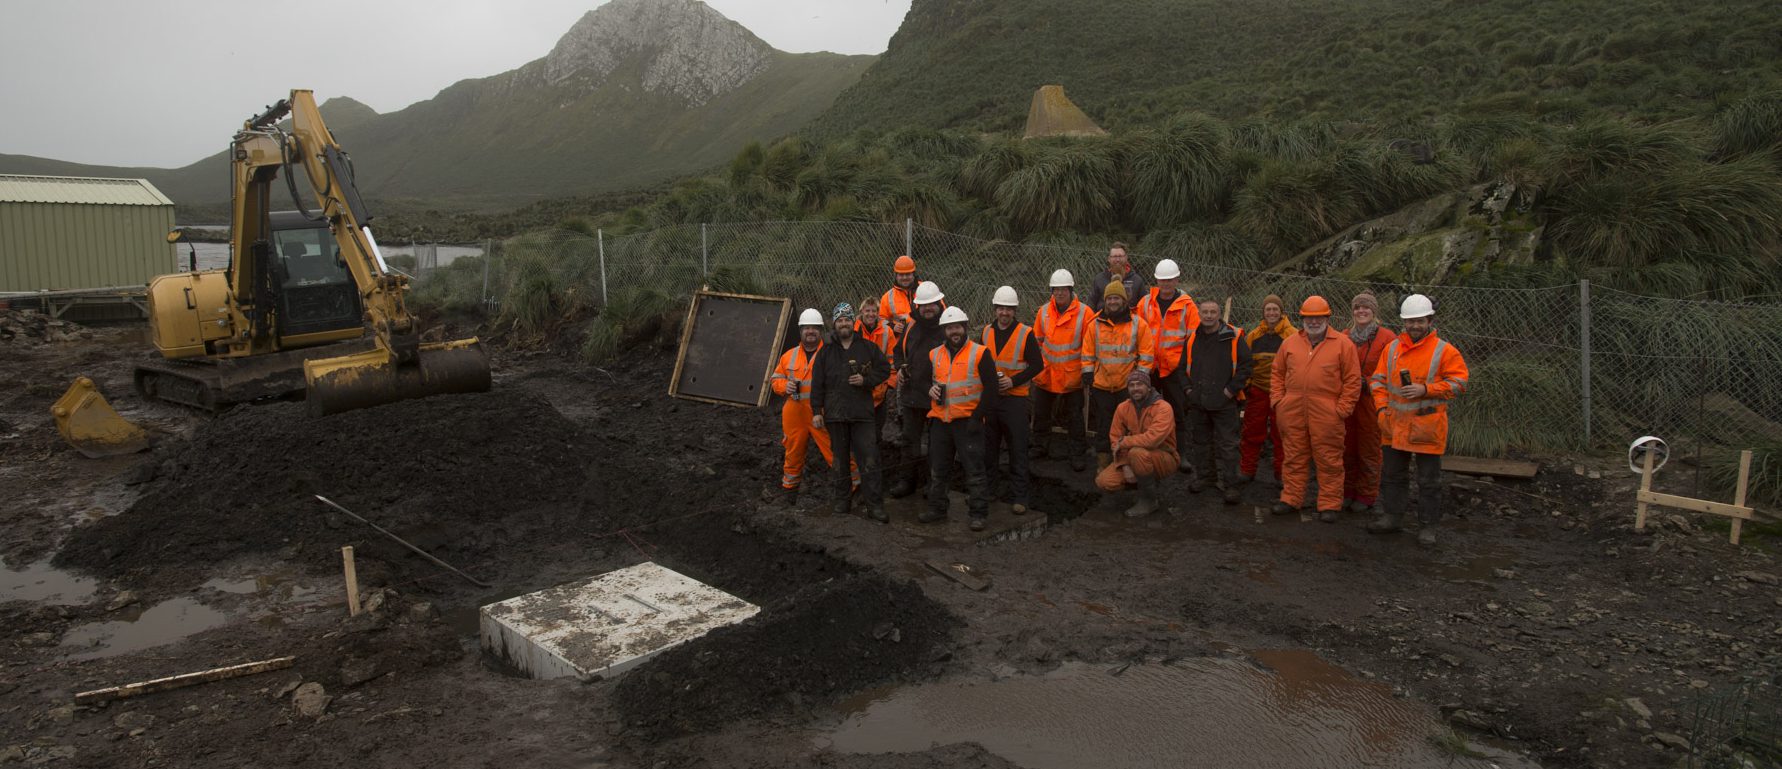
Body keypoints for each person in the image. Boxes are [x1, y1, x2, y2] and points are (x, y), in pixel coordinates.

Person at [1368, 294, 1470, 546]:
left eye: (1420, 321)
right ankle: (1392, 517)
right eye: (1410, 321)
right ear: (1404, 323)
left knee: (1429, 481)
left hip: (1427, 427)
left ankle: (1428, 526)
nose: (1414, 326)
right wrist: (1381, 411)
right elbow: (1378, 382)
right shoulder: (1391, 349)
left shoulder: (1444, 350)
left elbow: (1459, 382)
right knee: (1392, 476)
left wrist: (1426, 390)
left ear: (1429, 320)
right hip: (1393, 425)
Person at [1269, 296, 1361, 523]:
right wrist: (1279, 402)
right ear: (1302, 319)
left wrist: (1342, 409)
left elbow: (1353, 380)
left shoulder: (1343, 344)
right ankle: (1291, 498)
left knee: (1329, 459)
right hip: (1292, 410)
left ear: (1327, 318)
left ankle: (1329, 504)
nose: (1313, 322)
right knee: (1293, 457)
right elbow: (1277, 373)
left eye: (1318, 317)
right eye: (1308, 318)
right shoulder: (1290, 343)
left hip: (1327, 412)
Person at [918, 306, 999, 530]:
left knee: (974, 469)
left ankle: (978, 513)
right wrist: (929, 390)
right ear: (944, 330)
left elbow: (992, 390)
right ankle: (937, 509)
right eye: (950, 328)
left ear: (964, 328)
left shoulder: (980, 353)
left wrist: (977, 417)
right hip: (941, 422)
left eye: (957, 327)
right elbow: (921, 379)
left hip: (968, 422)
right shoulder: (935, 355)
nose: (954, 331)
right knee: (939, 468)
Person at [812, 303, 889, 522]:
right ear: (834, 324)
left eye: (847, 319)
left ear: (853, 322)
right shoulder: (825, 352)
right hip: (835, 415)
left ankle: (874, 506)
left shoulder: (867, 347)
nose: (843, 324)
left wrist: (867, 381)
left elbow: (884, 370)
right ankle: (842, 501)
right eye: (839, 320)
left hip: (862, 415)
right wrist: (817, 411)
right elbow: (817, 383)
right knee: (840, 461)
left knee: (870, 460)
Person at [1179, 298, 1253, 506]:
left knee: (1228, 445)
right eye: (1205, 312)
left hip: (1224, 403)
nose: (1209, 316)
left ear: (1219, 314)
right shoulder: (1193, 339)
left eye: (1213, 312)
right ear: (1199, 314)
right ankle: (1206, 477)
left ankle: (1231, 484)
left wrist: (1230, 392)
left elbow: (1246, 366)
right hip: (1199, 401)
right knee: (1200, 443)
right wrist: (1189, 391)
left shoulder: (1233, 337)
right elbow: (1182, 368)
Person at [981, 286, 1044, 514]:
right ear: (995, 309)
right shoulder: (986, 332)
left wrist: (1014, 381)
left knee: (1018, 449)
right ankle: (989, 490)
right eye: (1001, 308)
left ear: (1014, 310)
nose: (1004, 313)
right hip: (992, 400)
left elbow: (1037, 365)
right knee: (989, 449)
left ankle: (1020, 497)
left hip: (1015, 401)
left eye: (1008, 309)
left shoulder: (1025, 334)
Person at [1082, 279, 1155, 471]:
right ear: (1105, 301)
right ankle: (1104, 463)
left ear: (1124, 300)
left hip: (1127, 387)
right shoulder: (1095, 324)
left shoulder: (1138, 324)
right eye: (1110, 298)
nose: (1113, 302)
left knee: (1129, 426)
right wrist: (1088, 373)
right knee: (1104, 425)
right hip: (1102, 385)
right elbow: (1088, 352)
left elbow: (1147, 354)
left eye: (1116, 298)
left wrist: (1139, 381)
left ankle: (1127, 462)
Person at [1134, 258, 1200, 470]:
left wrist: (1186, 369)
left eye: (1170, 280)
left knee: (1177, 412)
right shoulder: (1145, 303)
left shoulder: (1188, 306)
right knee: (1145, 410)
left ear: (1177, 279)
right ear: (1156, 281)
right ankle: (1145, 450)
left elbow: (1193, 339)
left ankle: (1180, 454)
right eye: (1162, 280)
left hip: (1174, 370)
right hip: (1149, 367)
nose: (1166, 284)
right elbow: (1136, 331)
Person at [771, 309, 839, 505]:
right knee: (792, 452)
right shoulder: (789, 356)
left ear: (820, 331)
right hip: (795, 412)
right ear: (800, 331)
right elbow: (775, 380)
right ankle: (789, 492)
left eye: (815, 328)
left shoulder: (829, 354)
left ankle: (853, 487)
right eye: (807, 328)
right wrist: (786, 386)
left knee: (835, 450)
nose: (811, 331)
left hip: (822, 412)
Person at [1339, 292, 1397, 515]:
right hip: (1348, 399)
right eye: (1357, 308)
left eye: (1366, 308)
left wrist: (1368, 382)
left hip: (1371, 401)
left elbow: (1391, 371)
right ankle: (1346, 490)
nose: (1361, 311)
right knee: (1346, 447)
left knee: (1369, 448)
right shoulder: (1344, 336)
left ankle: (1366, 493)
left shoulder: (1387, 338)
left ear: (1374, 312)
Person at [888, 281, 947, 498]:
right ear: (918, 306)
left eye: (931, 304)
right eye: (924, 305)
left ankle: (933, 485)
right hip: (912, 395)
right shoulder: (911, 327)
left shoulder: (947, 327)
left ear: (938, 303)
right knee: (909, 441)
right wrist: (901, 367)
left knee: (937, 445)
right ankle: (907, 481)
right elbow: (897, 352)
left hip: (937, 396)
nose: (928, 308)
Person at [1031, 269, 1095, 472]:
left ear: (1070, 290)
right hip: (1047, 373)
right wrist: (1035, 365)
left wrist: (1087, 371)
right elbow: (1037, 341)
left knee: (1074, 416)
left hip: (1072, 375)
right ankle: (1040, 446)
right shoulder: (1044, 312)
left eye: (1063, 289)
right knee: (1041, 413)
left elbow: (1090, 345)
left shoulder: (1085, 313)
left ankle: (1077, 452)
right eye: (1055, 289)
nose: (1059, 293)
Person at [1096, 370, 1179, 518]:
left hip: (1164, 457)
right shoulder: (1123, 408)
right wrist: (1124, 465)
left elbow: (1152, 439)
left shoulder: (1163, 408)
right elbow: (1115, 438)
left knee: (1138, 453)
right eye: (1131, 385)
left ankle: (1149, 500)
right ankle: (1142, 482)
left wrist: (1125, 441)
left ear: (1148, 386)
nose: (1135, 388)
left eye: (1139, 384)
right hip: (1132, 457)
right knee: (1104, 481)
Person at [1240, 295, 1295, 484]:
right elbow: (1246, 364)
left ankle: (1282, 474)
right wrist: (1247, 387)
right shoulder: (1254, 336)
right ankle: (1247, 470)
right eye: (1268, 310)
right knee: (1251, 433)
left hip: (1283, 394)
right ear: (1263, 313)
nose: (1271, 313)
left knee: (1282, 435)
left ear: (1281, 312)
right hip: (1259, 391)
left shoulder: (1292, 336)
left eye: (1275, 309)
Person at [854, 296, 898, 437]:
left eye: (874, 311)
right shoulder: (853, 329)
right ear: (861, 312)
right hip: (856, 392)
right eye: (867, 311)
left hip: (879, 391)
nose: (871, 314)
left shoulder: (887, 332)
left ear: (878, 312)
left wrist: (889, 384)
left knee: (876, 432)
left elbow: (892, 360)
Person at [1086, 242, 1148, 313]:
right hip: (1102, 321)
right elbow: (1091, 305)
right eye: (1114, 256)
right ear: (1109, 259)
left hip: (1129, 321)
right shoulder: (1099, 279)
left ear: (1126, 257)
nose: (1118, 260)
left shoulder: (1137, 280)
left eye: (1120, 256)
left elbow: (1144, 307)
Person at [879, 255, 921, 337]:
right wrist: (892, 327)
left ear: (913, 274)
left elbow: (940, 311)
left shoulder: (926, 289)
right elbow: (880, 320)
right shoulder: (887, 297)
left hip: (923, 341)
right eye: (901, 275)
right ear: (896, 276)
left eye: (908, 274)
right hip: (899, 344)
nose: (904, 277)